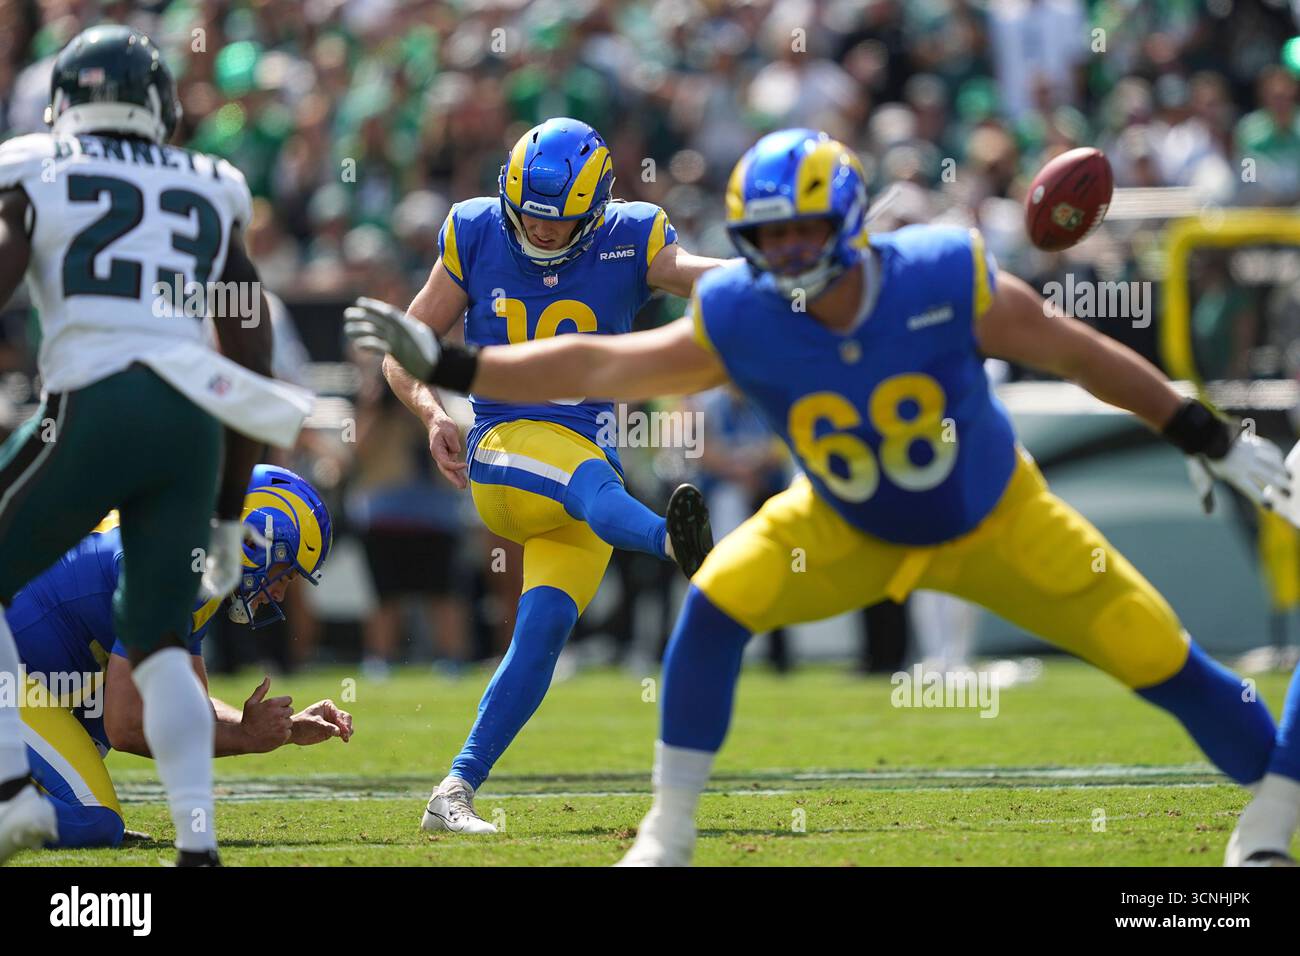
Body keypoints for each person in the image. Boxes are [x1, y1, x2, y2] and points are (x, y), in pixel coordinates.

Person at [347, 128, 1292, 866]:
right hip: (844, 522)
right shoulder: (743, 308)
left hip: (997, 518)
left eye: (805, 231)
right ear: (748, 245)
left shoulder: (939, 271)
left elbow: (1078, 354)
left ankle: (1279, 808)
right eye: (769, 238)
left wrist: (1200, 430)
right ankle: (666, 838)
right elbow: (605, 357)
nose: (791, 253)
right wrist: (460, 365)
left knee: (1164, 659)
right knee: (713, 609)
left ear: (849, 223)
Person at [350, 118, 725, 834]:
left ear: (597, 206)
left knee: (541, 637)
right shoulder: (474, 231)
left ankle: (453, 791)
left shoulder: (631, 233)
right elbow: (405, 346)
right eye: (530, 217)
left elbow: (696, 276)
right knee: (594, 485)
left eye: (561, 222)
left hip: (587, 475)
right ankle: (683, 548)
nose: (542, 233)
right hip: (505, 451)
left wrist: (777, 275)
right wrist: (433, 413)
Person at [0, 26, 312, 867]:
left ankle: (6, 799)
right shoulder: (213, 181)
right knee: (165, 641)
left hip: (95, 400)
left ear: (64, 102)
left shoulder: (32, 162)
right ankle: (197, 847)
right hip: (192, 419)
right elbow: (247, 348)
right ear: (161, 107)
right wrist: (223, 500)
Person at [8, 465, 351, 853]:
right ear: (257, 542)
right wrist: (244, 737)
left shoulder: (196, 565)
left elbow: (186, 705)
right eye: (286, 576)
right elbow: (125, 725)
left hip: (33, 672)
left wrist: (278, 727)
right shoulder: (178, 570)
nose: (282, 594)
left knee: (104, 715)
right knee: (94, 822)